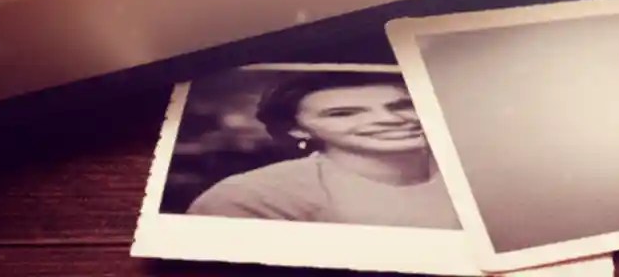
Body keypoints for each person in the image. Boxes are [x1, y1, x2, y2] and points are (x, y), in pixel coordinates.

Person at [186, 70, 461, 229]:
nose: (391, 119)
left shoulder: (480, 169)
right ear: (299, 129)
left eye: (403, 105)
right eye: (343, 113)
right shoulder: (250, 197)